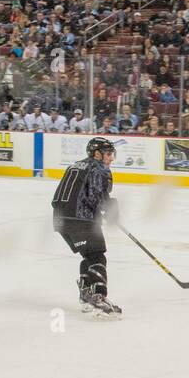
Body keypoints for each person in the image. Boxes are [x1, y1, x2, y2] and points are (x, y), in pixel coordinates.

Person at [51, 137, 121, 319]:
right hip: (80, 218)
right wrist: (110, 207)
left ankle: (86, 293)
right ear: (96, 154)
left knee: (89, 255)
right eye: (108, 153)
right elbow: (95, 197)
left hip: (60, 219)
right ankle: (99, 298)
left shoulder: (76, 165)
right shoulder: (100, 168)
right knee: (97, 255)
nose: (111, 158)